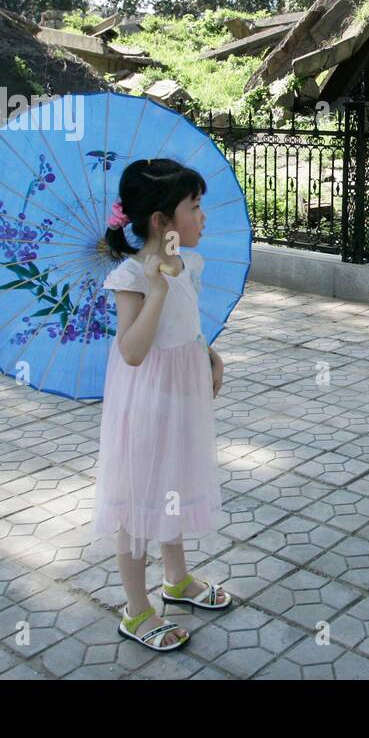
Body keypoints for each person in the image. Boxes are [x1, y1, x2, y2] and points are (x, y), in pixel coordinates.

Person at [93, 157, 232, 652]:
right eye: (194, 207)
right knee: (138, 499)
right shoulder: (132, 275)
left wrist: (210, 354)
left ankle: (176, 579)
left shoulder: (189, 262)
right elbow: (132, 350)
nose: (203, 217)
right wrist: (155, 288)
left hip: (183, 391)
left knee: (174, 480)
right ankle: (136, 609)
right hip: (146, 399)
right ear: (161, 221)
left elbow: (188, 324)